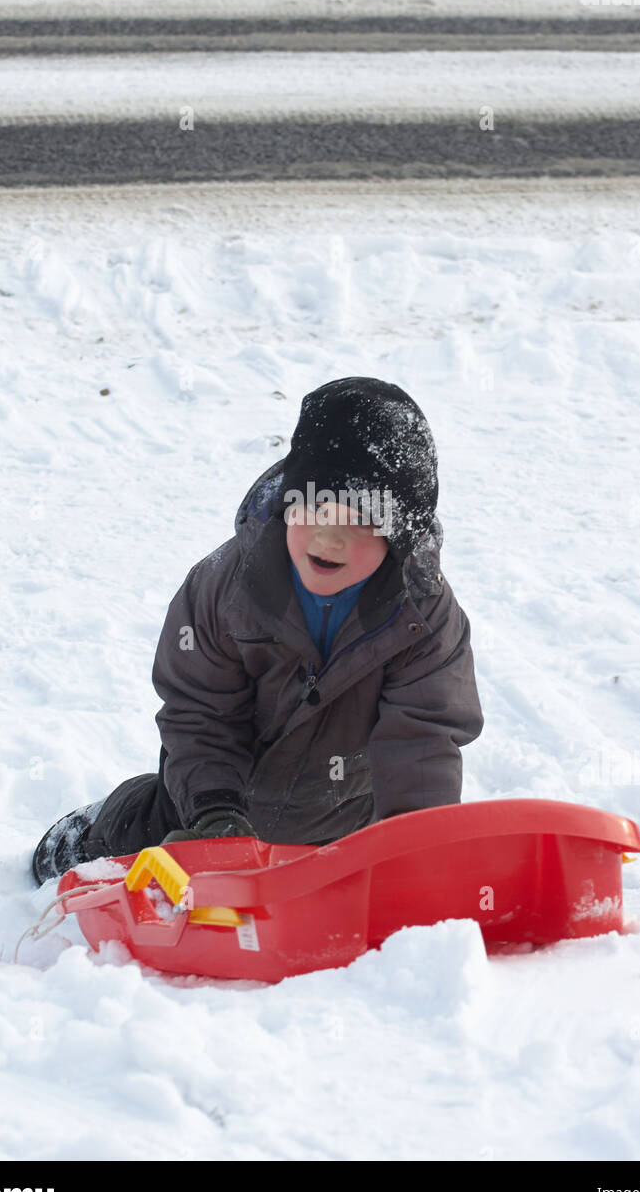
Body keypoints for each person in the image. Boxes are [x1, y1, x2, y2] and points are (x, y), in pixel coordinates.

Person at [31, 376, 484, 884]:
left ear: (398, 537)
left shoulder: (423, 622)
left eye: (360, 521)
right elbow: (199, 714)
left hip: (343, 819)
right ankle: (93, 833)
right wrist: (213, 814)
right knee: (140, 838)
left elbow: (421, 742)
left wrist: (413, 850)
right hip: (209, 811)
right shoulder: (227, 591)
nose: (328, 536)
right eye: (315, 507)